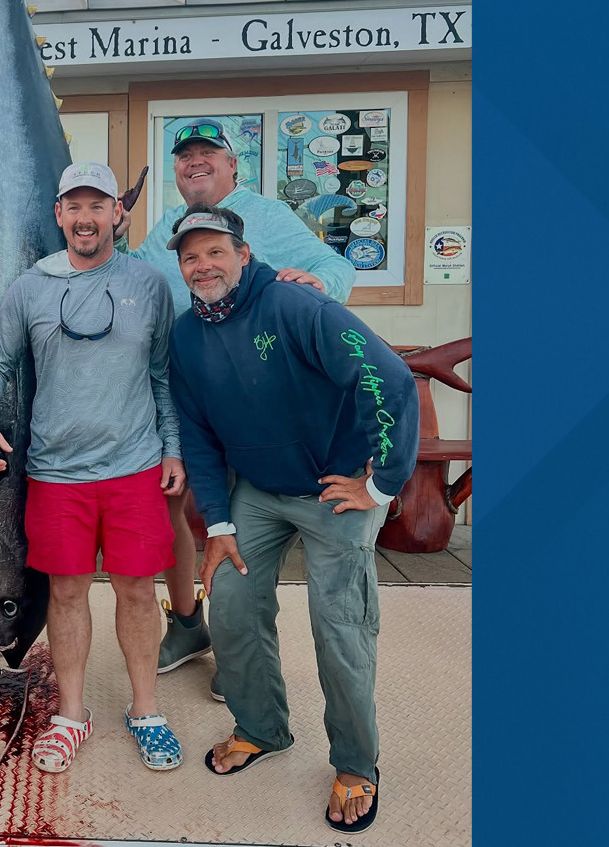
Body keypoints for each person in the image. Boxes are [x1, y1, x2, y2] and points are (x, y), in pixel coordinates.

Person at [163, 203, 418, 836]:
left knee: (340, 628)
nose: (203, 265)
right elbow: (196, 434)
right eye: (191, 256)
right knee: (231, 604)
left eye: (216, 251)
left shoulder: (296, 306)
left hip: (335, 489)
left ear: (243, 254)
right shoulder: (184, 336)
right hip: (258, 491)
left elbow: (387, 377)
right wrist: (217, 523)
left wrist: (381, 483)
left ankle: (357, 763)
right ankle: (261, 727)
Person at [116, 121, 359, 679]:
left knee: (240, 528)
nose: (194, 163)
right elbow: (138, 279)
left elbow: (336, 267)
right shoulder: (170, 228)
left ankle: (237, 646)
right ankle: (187, 623)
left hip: (255, 406)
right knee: (173, 507)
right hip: (190, 392)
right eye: (185, 157)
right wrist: (119, 239)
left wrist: (318, 289)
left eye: (208, 153)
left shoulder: (267, 214)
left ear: (232, 165)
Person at [0, 162, 188, 774]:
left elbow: (163, 375)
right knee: (65, 594)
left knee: (138, 592)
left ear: (118, 212)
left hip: (134, 468)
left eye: (99, 205)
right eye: (74, 206)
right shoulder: (29, 288)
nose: (86, 217)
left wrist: (172, 446)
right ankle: (71, 713)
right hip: (56, 474)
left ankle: (146, 709)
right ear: (59, 215)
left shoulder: (148, 285)